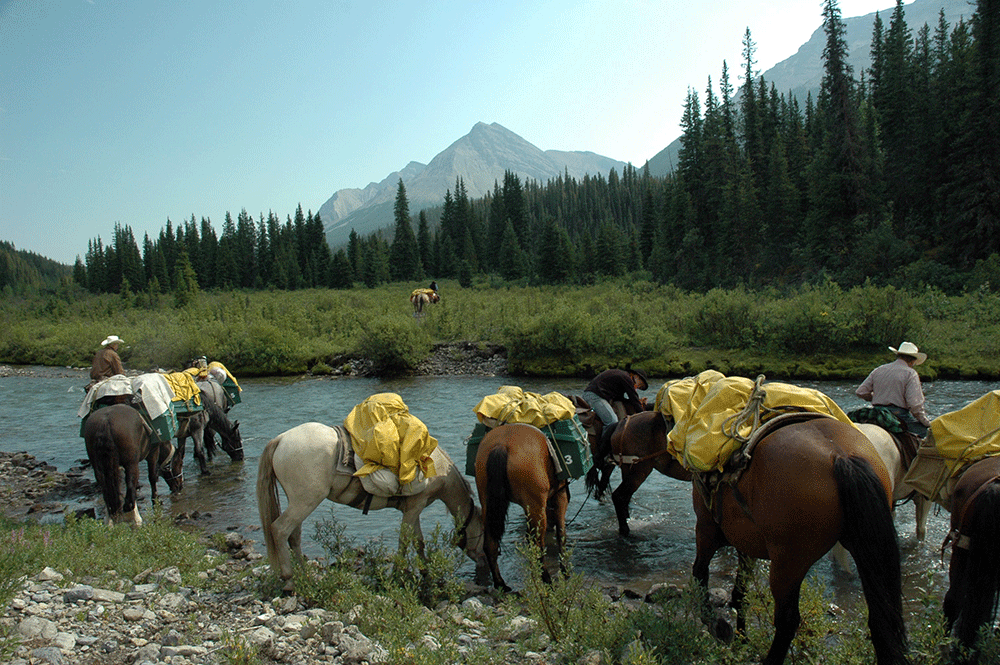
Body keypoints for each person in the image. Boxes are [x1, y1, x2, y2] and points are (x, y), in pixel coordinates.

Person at [856, 341, 932, 438]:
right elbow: (914, 404)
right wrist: (925, 422)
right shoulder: (910, 373)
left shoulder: (879, 369)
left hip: (877, 413)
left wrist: (875, 397)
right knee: (927, 434)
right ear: (913, 361)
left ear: (898, 355)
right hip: (898, 415)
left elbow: (860, 392)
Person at [582, 367, 649, 427]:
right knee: (613, 422)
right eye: (640, 384)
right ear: (636, 376)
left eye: (640, 387)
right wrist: (643, 416)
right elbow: (633, 398)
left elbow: (620, 398)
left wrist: (639, 402)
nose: (638, 387)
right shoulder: (627, 378)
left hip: (596, 395)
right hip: (595, 396)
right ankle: (606, 441)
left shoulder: (622, 377)